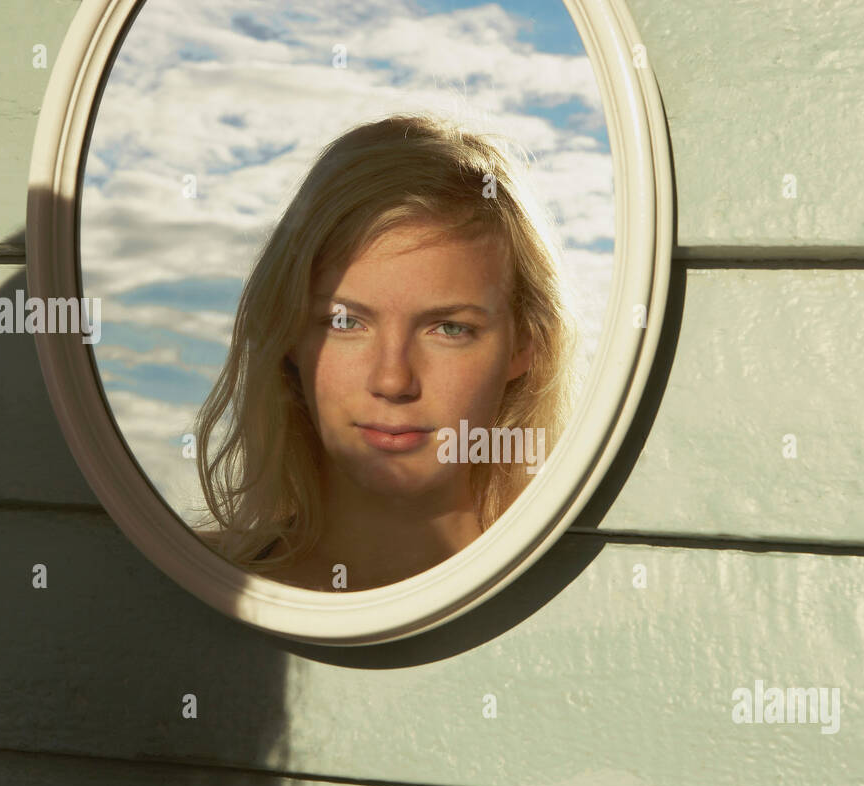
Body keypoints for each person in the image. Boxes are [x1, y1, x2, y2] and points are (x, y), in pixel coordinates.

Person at [194, 112, 578, 591]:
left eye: (449, 328)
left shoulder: (579, 595)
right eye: (346, 322)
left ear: (526, 346)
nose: (393, 381)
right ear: (289, 333)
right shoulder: (187, 578)